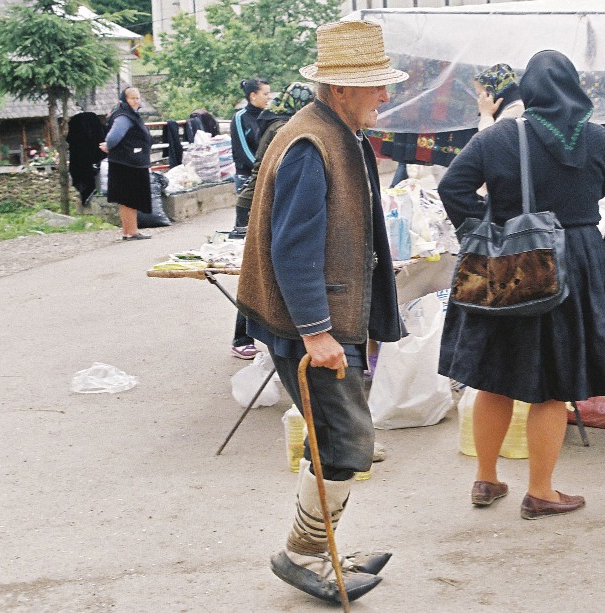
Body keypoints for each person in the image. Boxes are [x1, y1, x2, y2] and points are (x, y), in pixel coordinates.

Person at [236, 20, 407, 603]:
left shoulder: (335, 132)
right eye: (375, 86)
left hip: (327, 317)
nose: (385, 96)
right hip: (314, 325)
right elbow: (292, 245)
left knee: (333, 437)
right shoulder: (312, 142)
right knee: (346, 441)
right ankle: (303, 553)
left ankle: (319, 544)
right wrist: (315, 331)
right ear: (341, 90)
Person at [437, 50, 605, 520]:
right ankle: (541, 490)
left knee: (494, 376)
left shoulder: (501, 135)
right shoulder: (599, 137)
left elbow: (452, 188)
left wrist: (486, 227)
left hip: (509, 261)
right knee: (552, 385)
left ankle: (486, 479)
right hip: (577, 258)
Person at [230, 82, 316, 360]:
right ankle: (242, 336)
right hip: (255, 203)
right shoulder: (283, 128)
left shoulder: (277, 122)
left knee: (260, 270)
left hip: (256, 201)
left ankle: (255, 335)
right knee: (257, 271)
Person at [100, 87, 152, 240]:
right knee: (129, 198)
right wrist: (108, 146)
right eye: (132, 98)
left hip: (128, 162)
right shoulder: (124, 117)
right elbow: (114, 136)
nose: (136, 101)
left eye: (138, 98)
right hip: (127, 163)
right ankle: (131, 232)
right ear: (125, 100)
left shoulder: (129, 115)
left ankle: (129, 231)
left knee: (128, 198)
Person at [231, 77, 272, 200]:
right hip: (248, 175)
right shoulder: (240, 117)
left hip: (266, 174)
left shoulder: (268, 116)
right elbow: (242, 149)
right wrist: (261, 169)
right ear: (253, 96)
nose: (269, 97)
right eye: (265, 94)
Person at [474, 63, 524, 131]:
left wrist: (486, 114)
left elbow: (489, 139)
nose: (480, 101)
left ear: (492, 92)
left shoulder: (515, 109)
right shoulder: (511, 108)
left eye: (480, 95)